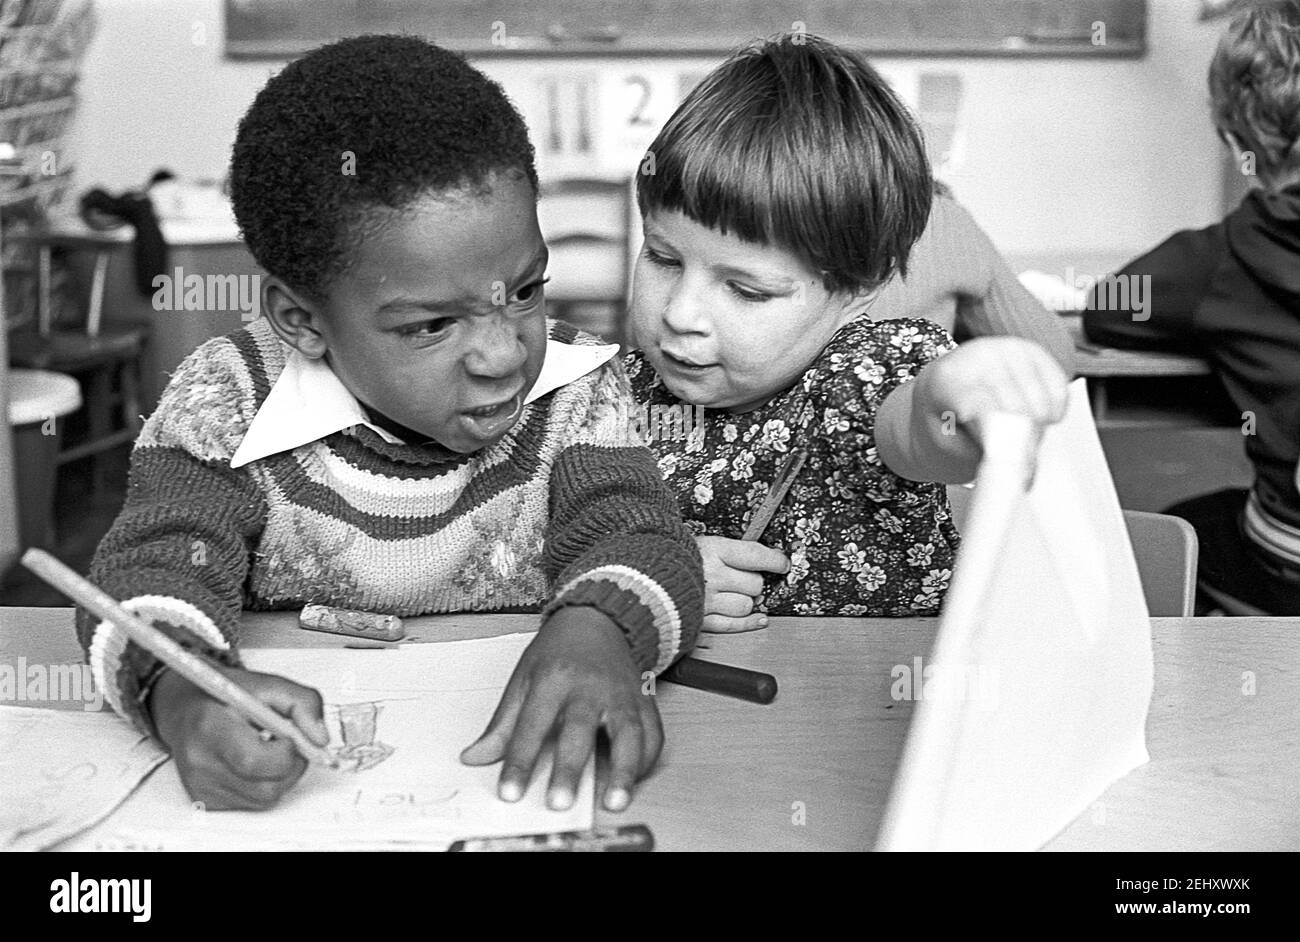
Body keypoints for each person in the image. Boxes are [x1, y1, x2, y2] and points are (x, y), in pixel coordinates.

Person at [78, 35, 703, 812]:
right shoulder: (228, 400)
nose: (504, 354)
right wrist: (179, 690)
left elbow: (637, 534)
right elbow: (148, 573)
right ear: (301, 320)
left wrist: (602, 631)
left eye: (526, 290)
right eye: (432, 326)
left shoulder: (575, 388)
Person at [625, 34, 1069, 629]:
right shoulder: (615, 396)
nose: (681, 313)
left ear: (858, 287)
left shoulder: (858, 380)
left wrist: (961, 391)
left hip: (869, 704)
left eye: (747, 290)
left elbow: (921, 426)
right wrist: (646, 574)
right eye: (662, 258)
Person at [1083, 0, 1300, 613]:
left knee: (1176, 529)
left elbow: (1109, 307)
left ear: (1237, 139)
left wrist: (1220, 328)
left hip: (1287, 564)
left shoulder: (1225, 259)